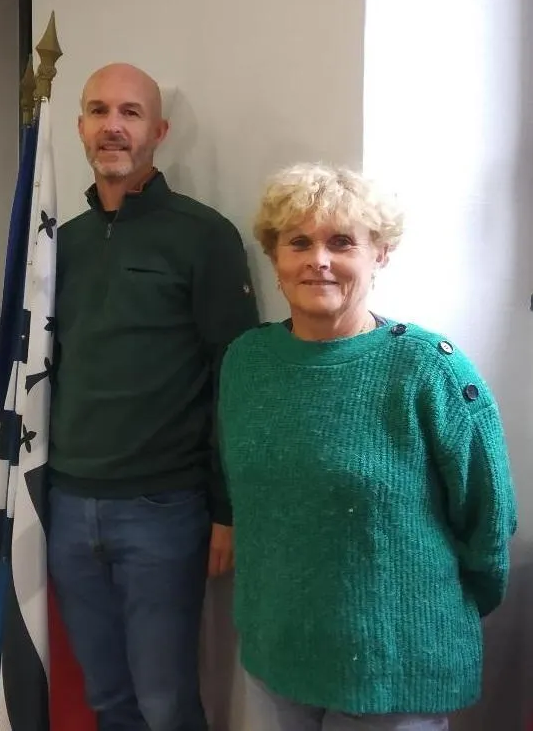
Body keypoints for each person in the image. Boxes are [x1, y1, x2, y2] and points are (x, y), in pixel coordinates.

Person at [217, 162, 518, 731]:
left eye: (341, 242)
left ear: (379, 254)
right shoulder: (246, 363)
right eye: (299, 242)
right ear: (275, 258)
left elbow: (489, 513)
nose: (319, 260)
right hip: (277, 651)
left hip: (395, 663)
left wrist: (431, 614)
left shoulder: (428, 368)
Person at [46, 62, 260, 731]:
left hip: (164, 510)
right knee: (107, 697)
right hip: (68, 501)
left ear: (158, 131)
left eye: (131, 113)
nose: (113, 125)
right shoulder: (57, 245)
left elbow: (237, 375)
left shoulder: (204, 236)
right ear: (80, 126)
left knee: (166, 703)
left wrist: (226, 510)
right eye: (99, 110)